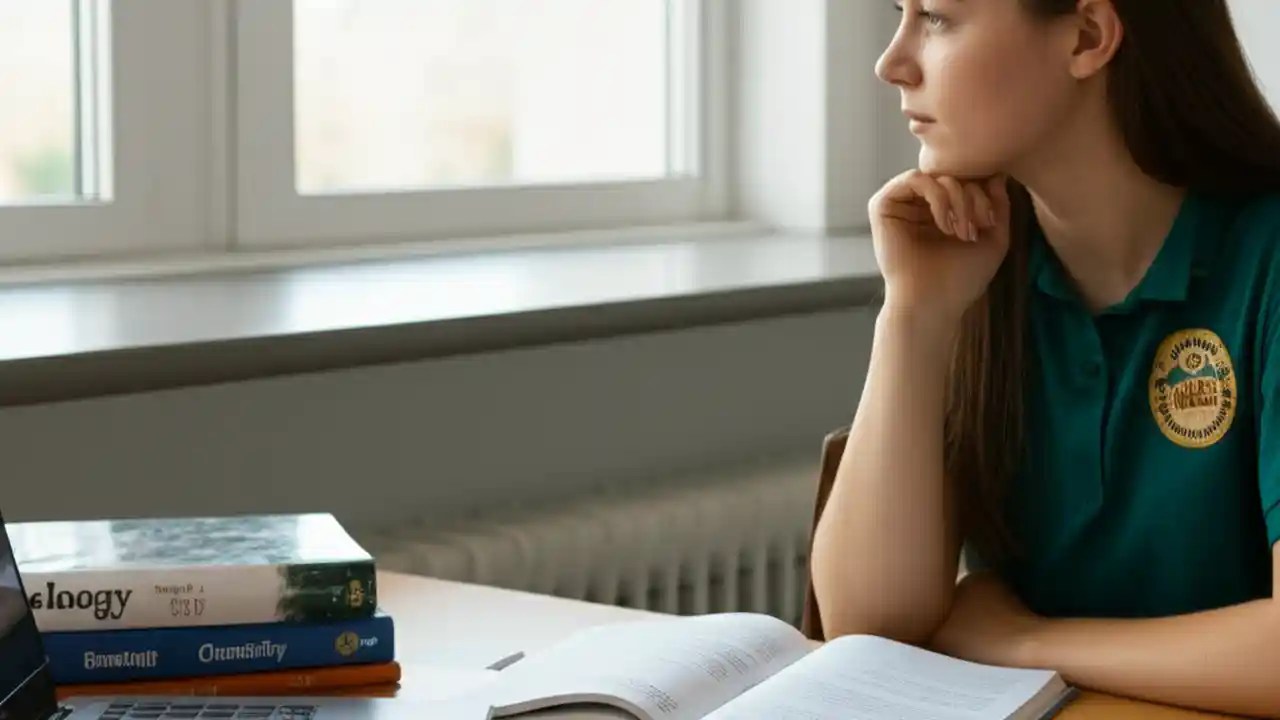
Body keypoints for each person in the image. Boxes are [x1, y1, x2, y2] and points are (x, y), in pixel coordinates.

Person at [808, 0, 1280, 716]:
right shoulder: (975, 259)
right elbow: (866, 627)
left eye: (935, 18)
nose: (891, 63)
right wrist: (912, 315)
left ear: (1087, 36)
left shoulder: (1269, 257)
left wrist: (1027, 642)